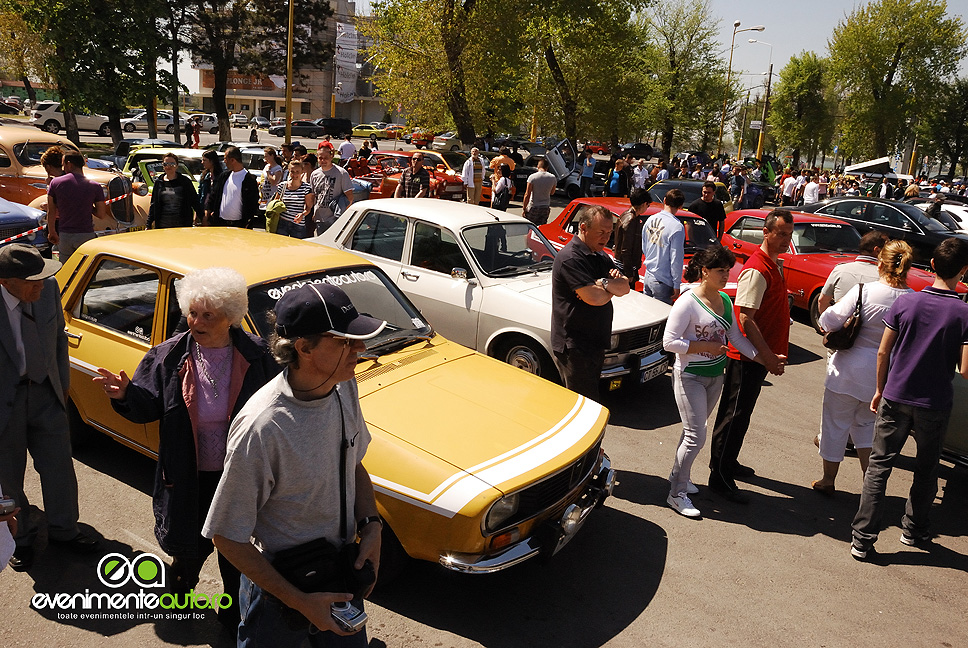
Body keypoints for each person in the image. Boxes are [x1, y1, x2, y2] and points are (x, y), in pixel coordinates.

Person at [95, 267, 280, 627]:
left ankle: (233, 616)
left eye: (208, 315)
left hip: (237, 478)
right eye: (192, 313)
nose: (197, 321)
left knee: (237, 556)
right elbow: (146, 405)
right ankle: (180, 599)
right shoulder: (167, 357)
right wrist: (125, 395)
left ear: (231, 317)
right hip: (186, 476)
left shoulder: (260, 357)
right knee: (187, 552)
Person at [203, 283, 385, 646]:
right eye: (346, 341)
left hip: (339, 579)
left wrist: (372, 526)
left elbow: (354, 463)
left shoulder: (342, 385)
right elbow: (225, 535)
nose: (360, 349)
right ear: (304, 348)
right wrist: (301, 603)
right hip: (278, 594)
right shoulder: (262, 426)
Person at [850, 238, 968, 561]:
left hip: (895, 394)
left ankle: (863, 537)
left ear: (931, 266)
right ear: (963, 272)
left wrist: (879, 388)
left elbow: (883, 351)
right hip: (934, 403)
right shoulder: (963, 313)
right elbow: (966, 368)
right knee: (927, 469)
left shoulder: (905, 303)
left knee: (879, 466)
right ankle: (913, 528)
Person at [0, 244, 99, 571]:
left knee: (59, 466)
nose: (41, 287)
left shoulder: (48, 288)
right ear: (6, 281)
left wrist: (64, 387)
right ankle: (20, 537)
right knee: (8, 477)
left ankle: (64, 530)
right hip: (5, 404)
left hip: (46, 393)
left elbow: (58, 338)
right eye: (33, 282)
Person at [663, 246, 765, 518]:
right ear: (705, 272)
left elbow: (736, 337)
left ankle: (679, 478)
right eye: (721, 270)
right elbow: (669, 342)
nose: (726, 275)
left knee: (691, 432)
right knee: (696, 436)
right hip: (689, 377)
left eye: (728, 270)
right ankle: (676, 494)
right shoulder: (687, 302)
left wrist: (762, 358)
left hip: (715, 377)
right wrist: (703, 345)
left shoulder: (725, 300)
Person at [813, 241, 914, 496]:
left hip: (847, 370)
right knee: (868, 431)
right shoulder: (912, 299)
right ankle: (871, 486)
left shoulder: (864, 291)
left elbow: (829, 320)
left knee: (836, 425)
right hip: (883, 376)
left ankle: (828, 479)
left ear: (880, 263)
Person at [707, 210, 793, 503]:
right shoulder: (758, 269)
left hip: (757, 358)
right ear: (766, 232)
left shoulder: (774, 265)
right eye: (781, 234)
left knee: (742, 415)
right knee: (733, 416)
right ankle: (718, 475)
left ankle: (728, 463)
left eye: (789, 235)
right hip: (747, 358)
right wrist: (766, 356)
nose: (786, 240)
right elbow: (745, 318)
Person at [551, 205, 630, 400]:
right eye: (601, 232)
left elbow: (625, 287)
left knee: (589, 400)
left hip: (595, 343)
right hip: (575, 346)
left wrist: (603, 284)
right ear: (583, 228)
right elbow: (594, 298)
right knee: (583, 403)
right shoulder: (570, 258)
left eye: (609, 232)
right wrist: (610, 287)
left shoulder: (600, 256)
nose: (606, 238)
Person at [47, 152, 110, 262]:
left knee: (65, 269)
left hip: (65, 234)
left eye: (63, 165)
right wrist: (88, 205)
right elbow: (101, 214)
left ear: (69, 164)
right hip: (86, 234)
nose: (63, 168)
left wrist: (52, 231)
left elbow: (51, 211)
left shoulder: (55, 183)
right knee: (86, 270)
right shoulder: (95, 186)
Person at [818, 231, 888, 313]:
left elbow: (822, 301)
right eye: (887, 249)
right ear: (877, 250)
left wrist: (827, 322)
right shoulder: (884, 277)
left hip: (838, 322)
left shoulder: (840, 270)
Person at [641, 189, 685, 304]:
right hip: (663, 280)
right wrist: (676, 284)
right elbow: (676, 259)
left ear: (664, 200)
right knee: (661, 318)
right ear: (680, 206)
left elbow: (644, 246)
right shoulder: (677, 227)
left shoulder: (650, 219)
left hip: (648, 274)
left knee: (648, 315)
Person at [208, 146, 260, 228]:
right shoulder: (224, 176)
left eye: (225, 159)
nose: (224, 161)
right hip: (221, 224)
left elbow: (253, 203)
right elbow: (214, 195)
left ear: (233, 160)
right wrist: (208, 212)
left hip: (239, 225)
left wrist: (248, 221)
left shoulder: (249, 180)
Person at [147, 153, 200, 229]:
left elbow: (194, 201)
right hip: (163, 225)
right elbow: (153, 205)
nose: (169, 166)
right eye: (166, 164)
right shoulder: (158, 182)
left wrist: (202, 216)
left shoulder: (185, 181)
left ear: (177, 166)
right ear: (163, 166)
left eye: (172, 164)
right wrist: (148, 224)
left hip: (182, 225)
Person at [309, 146, 355, 235]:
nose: (323, 161)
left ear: (331, 157)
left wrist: (342, 214)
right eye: (320, 158)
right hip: (319, 218)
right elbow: (313, 196)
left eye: (325, 158)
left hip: (335, 219)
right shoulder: (314, 174)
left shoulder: (342, 173)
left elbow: (350, 197)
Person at [613, 187, 651, 288]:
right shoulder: (631, 220)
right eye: (648, 205)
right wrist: (629, 273)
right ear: (644, 204)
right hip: (624, 267)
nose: (647, 207)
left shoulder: (626, 215)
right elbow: (626, 249)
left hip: (622, 265)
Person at [276, 159, 315, 239]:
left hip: (298, 224)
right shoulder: (282, 186)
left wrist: (302, 214)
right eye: (292, 171)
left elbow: (308, 208)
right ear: (289, 171)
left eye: (297, 172)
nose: (295, 174)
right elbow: (275, 203)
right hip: (283, 222)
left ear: (302, 172)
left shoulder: (306, 188)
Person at [522, 159, 557, 226]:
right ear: (547, 167)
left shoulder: (532, 177)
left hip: (534, 206)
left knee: (529, 228)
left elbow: (527, 194)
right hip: (545, 207)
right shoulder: (553, 177)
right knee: (540, 229)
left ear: (538, 166)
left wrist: (524, 208)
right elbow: (552, 192)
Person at [199, 149, 224, 226]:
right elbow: (200, 194)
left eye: (205, 160)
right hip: (203, 209)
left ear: (212, 161)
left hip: (215, 212)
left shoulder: (221, 177)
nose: (202, 162)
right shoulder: (204, 176)